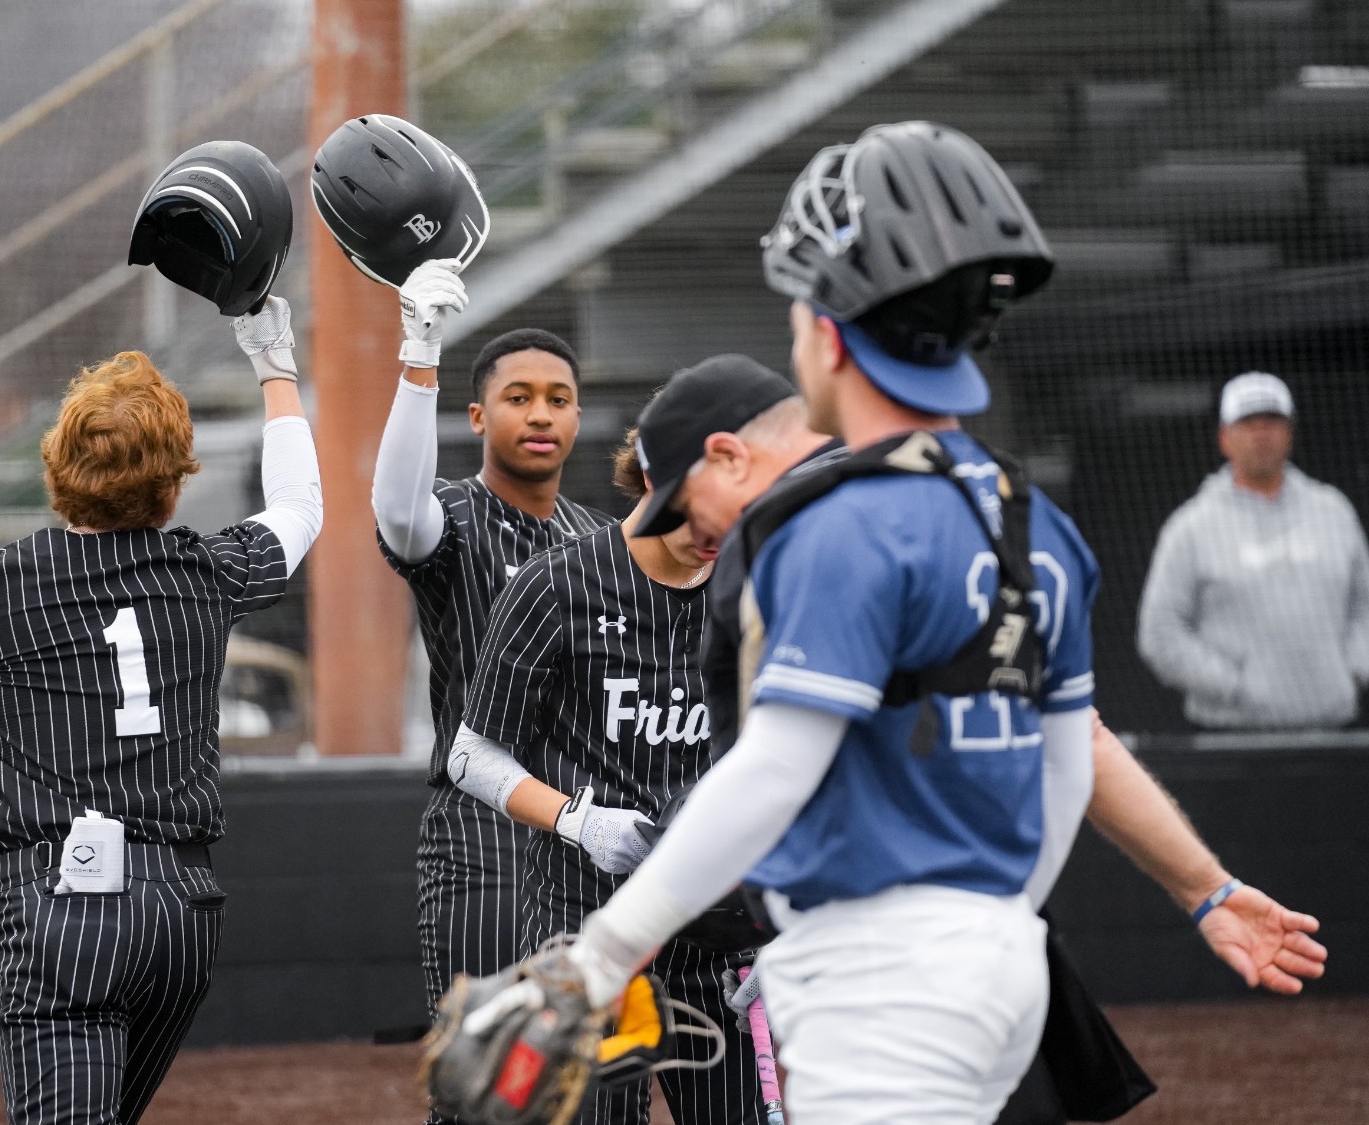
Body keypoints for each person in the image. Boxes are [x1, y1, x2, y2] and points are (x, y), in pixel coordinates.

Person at [554, 121, 1096, 1124]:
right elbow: (1064, 776)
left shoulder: (837, 526)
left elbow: (770, 771)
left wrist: (599, 956)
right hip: (1001, 961)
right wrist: (989, 923)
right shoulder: (1037, 522)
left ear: (831, 333)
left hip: (879, 979)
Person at [668, 370, 1326, 1123]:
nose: (696, 538)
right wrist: (1202, 887)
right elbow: (1081, 741)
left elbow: (777, 769)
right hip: (989, 948)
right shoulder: (975, 510)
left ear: (729, 457)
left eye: (685, 507)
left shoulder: (818, 529)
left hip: (889, 961)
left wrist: (607, 953)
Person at [0, 300, 320, 1125]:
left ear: (58, 466)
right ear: (173, 483)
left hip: (63, 901)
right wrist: (275, 364)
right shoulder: (204, 571)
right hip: (181, 909)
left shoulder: (0, 585)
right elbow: (301, 507)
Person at [447, 361, 766, 1125]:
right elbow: (470, 755)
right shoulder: (558, 584)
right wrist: (582, 822)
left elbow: (779, 766)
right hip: (585, 930)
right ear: (652, 478)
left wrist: (776, 925)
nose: (714, 534)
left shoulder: (758, 590)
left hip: (716, 939)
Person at [370, 260, 615, 1056]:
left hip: (589, 839)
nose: (540, 413)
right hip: (482, 840)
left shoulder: (599, 542)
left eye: (558, 399)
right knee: (485, 1082)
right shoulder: (455, 516)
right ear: (477, 416)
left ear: (578, 417)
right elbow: (398, 515)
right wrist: (420, 353)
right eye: (518, 398)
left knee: (587, 1086)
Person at [1137, 371, 1369, 730]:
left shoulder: (1333, 511)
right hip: (1235, 739)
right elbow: (1160, 633)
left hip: (1333, 732)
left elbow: (1364, 603)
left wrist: (1353, 669)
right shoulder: (1191, 527)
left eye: (1272, 421)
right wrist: (1234, 687)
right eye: (1248, 423)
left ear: (1290, 434)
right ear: (1224, 438)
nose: (1262, 433)